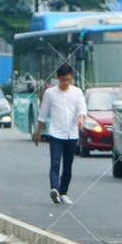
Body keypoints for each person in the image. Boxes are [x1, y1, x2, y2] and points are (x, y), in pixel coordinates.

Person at [34, 63, 86, 204]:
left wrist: (81, 119)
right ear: (58, 79)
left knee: (68, 166)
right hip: (56, 133)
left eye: (68, 80)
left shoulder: (77, 92)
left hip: (71, 134)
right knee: (55, 163)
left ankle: (64, 192)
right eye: (63, 80)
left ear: (72, 79)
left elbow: (82, 110)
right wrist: (38, 132)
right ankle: (54, 189)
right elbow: (43, 115)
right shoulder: (50, 93)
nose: (65, 83)